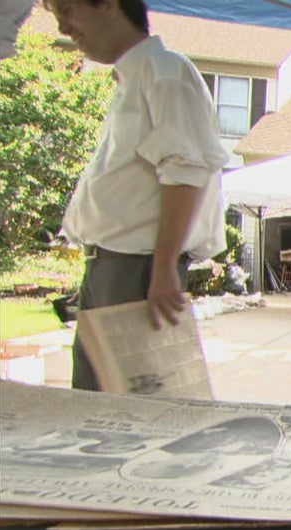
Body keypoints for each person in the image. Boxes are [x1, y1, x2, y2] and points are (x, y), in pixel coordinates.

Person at [46, 0, 228, 392]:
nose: (64, 27)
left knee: (134, 409)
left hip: (138, 270)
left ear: (108, 4)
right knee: (95, 403)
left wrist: (162, 270)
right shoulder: (135, 77)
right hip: (112, 266)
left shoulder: (164, 73)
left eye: (67, 10)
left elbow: (184, 171)